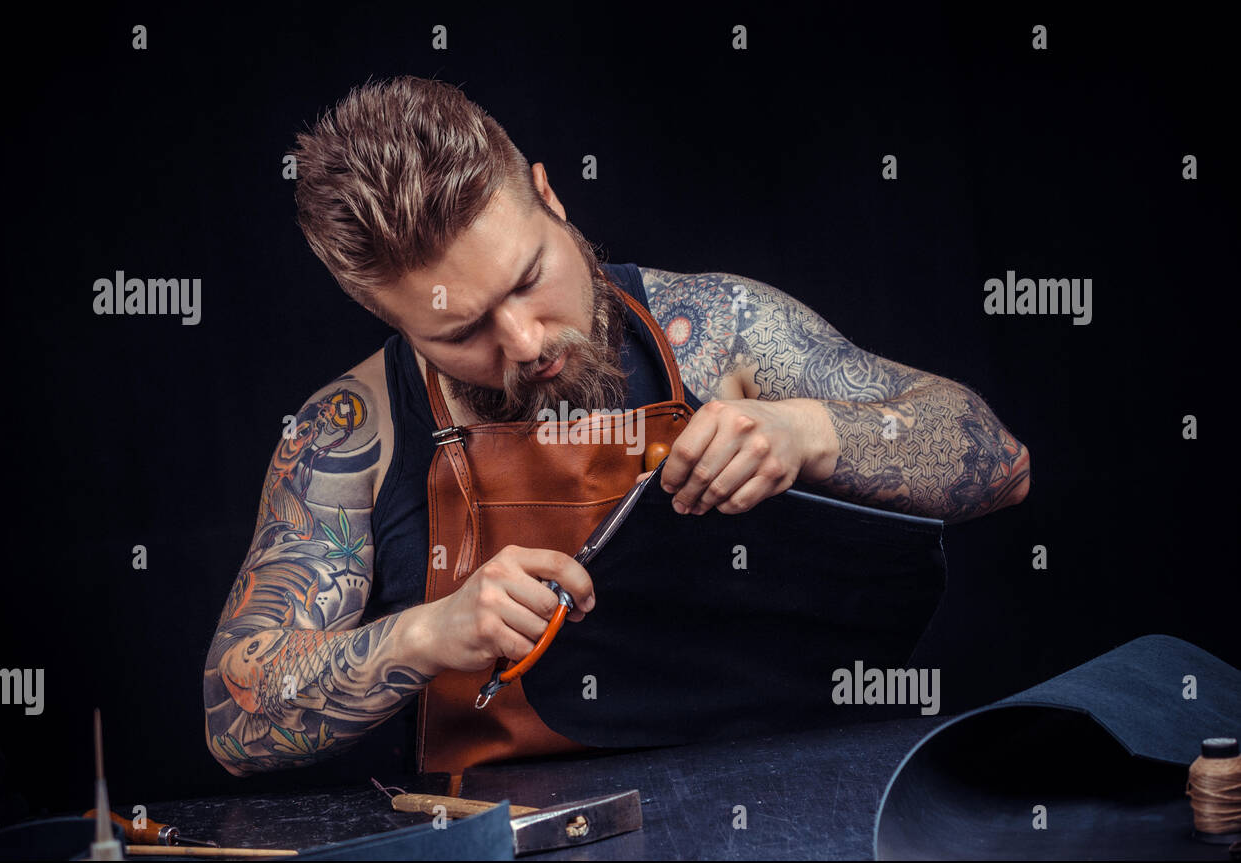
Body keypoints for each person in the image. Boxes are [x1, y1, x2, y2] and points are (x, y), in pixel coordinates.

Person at [203, 76, 1030, 778]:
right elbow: (233, 722)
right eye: (461, 332)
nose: (525, 342)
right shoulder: (346, 434)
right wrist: (427, 632)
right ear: (395, 321)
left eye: (529, 278)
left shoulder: (722, 329)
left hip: (793, 802)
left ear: (549, 197)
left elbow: (999, 461)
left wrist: (809, 432)